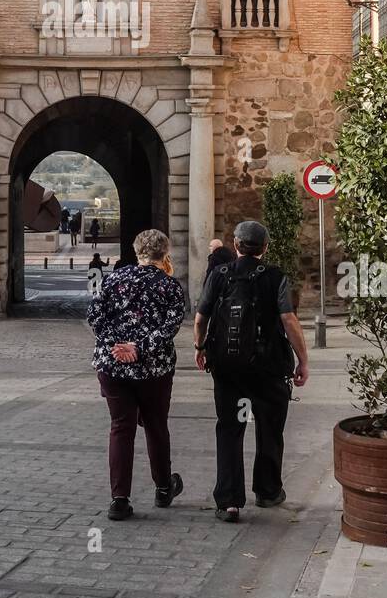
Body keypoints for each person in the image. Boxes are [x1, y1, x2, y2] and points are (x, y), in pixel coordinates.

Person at [194, 220, 309, 523]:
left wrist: (200, 347)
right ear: (265, 248)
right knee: (270, 428)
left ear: (236, 245)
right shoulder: (275, 277)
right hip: (269, 367)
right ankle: (268, 490)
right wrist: (303, 359)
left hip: (229, 366)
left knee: (230, 428)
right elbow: (288, 319)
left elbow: (200, 317)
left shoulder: (219, 274)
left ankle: (229, 501)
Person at [88, 228, 185, 521]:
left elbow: (95, 317)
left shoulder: (112, 280)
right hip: (154, 368)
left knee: (121, 427)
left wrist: (118, 347)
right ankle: (164, 487)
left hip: (113, 366)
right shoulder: (170, 286)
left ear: (136, 250)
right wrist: (139, 348)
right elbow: (170, 328)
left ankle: (119, 499)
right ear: (164, 252)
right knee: (156, 425)